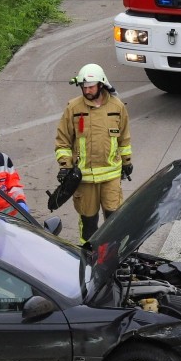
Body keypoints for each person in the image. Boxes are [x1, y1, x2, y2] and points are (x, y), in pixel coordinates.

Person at [55, 63, 133, 242]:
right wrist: (65, 166)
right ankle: (88, 257)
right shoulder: (73, 108)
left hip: (111, 176)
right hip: (84, 179)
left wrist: (127, 162)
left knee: (114, 220)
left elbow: (124, 138)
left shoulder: (117, 107)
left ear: (101, 84)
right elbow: (62, 140)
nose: (87, 90)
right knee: (88, 222)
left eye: (90, 87)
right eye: (84, 87)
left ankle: (114, 257)